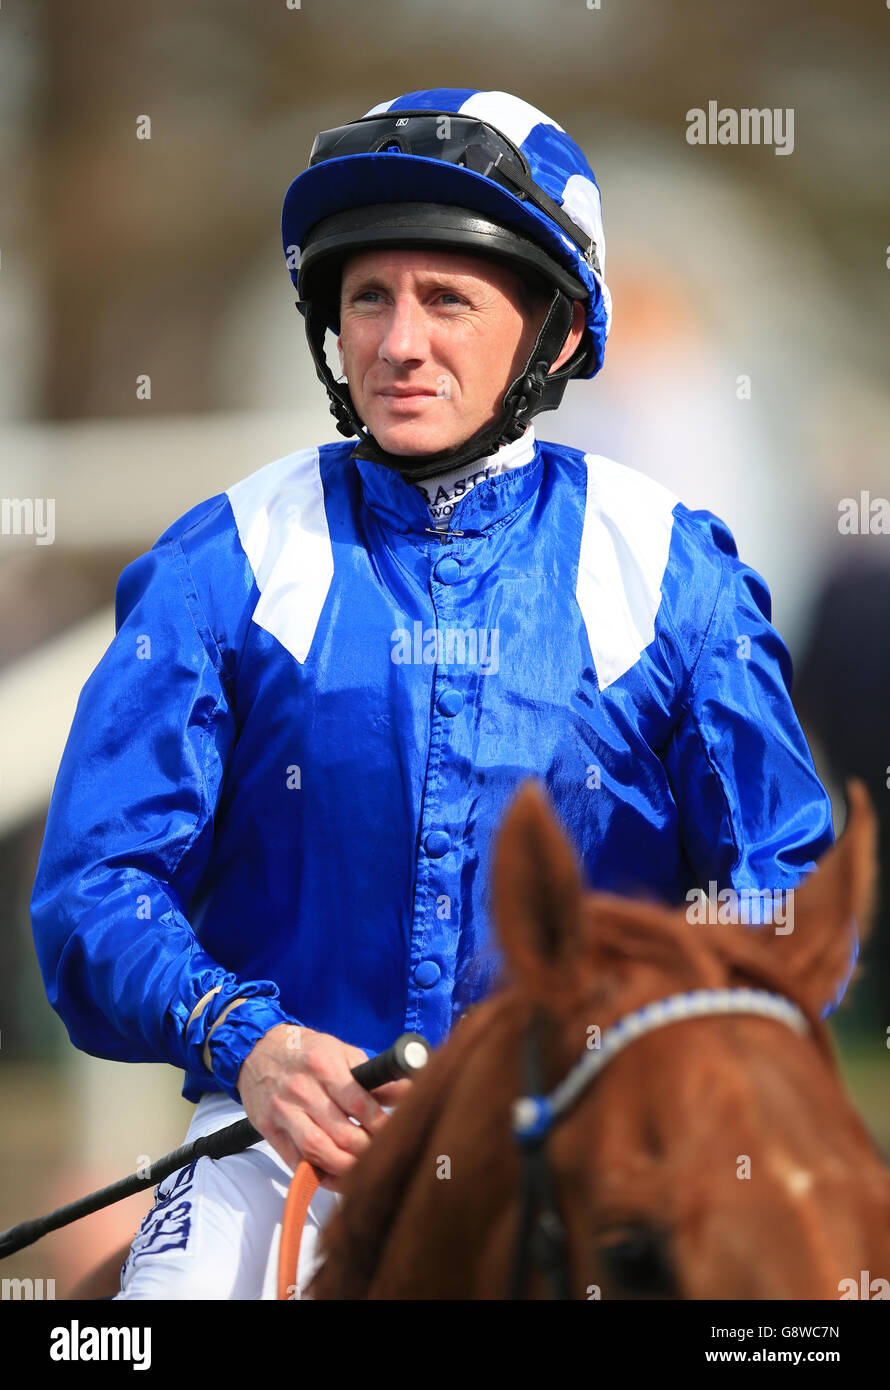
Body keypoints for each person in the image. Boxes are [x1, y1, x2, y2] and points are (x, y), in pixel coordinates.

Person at [29, 88, 842, 1300]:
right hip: (281, 1150)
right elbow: (94, 887)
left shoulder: (674, 570)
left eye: (446, 298)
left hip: (585, 1146)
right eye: (369, 297)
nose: (399, 341)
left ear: (554, 334)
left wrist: (616, 1054)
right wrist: (246, 1041)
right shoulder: (223, 557)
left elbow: (783, 893)